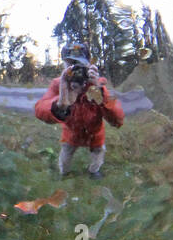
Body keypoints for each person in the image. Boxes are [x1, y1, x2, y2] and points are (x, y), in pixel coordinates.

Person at [34, 44, 124, 177]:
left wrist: (100, 92)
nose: (76, 72)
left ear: (89, 66)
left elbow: (117, 119)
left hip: (95, 134)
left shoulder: (97, 85)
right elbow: (40, 109)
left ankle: (94, 171)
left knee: (98, 152)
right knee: (65, 154)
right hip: (71, 134)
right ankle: (64, 173)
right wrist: (60, 104)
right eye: (70, 66)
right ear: (64, 67)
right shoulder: (59, 84)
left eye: (80, 66)